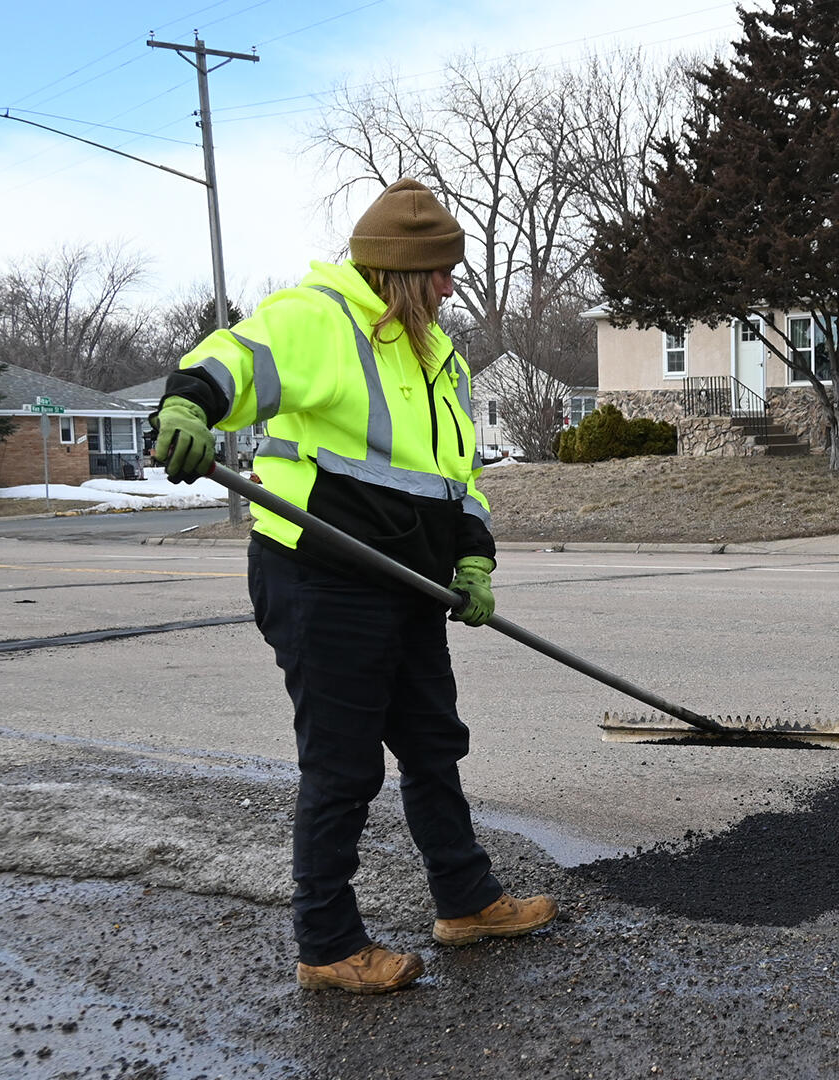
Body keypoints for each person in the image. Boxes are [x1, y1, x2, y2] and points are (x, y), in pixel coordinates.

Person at [151, 178, 556, 994]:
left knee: (435, 745)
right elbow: (228, 360)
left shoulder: (439, 357)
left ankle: (466, 900)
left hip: (410, 581)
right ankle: (328, 945)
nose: (450, 288)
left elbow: (455, 478)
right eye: (439, 273)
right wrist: (189, 408)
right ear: (403, 272)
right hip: (322, 573)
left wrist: (473, 556)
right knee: (342, 767)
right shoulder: (316, 317)